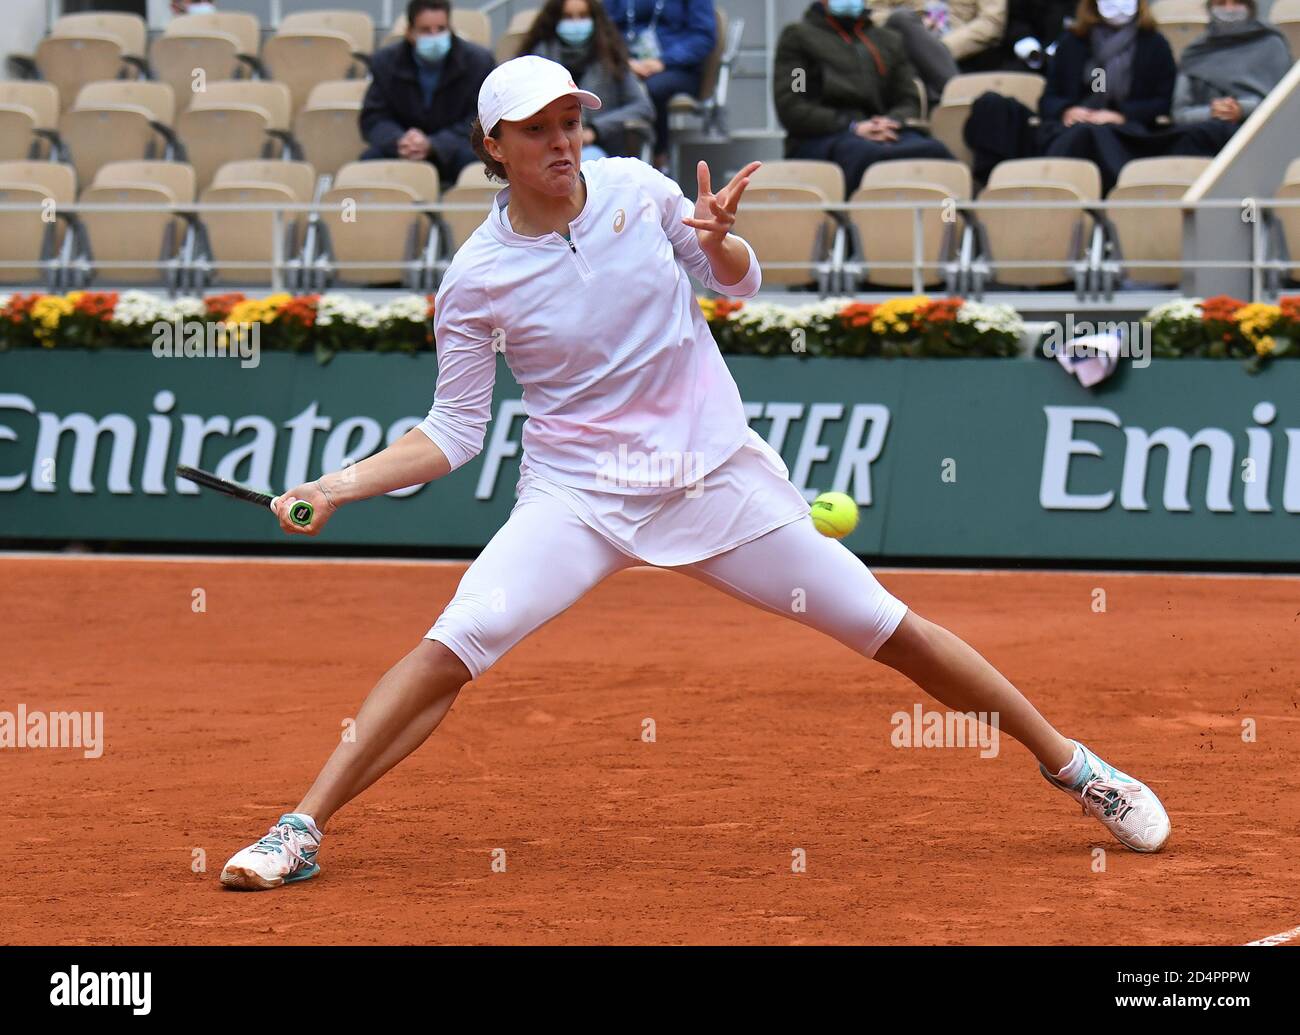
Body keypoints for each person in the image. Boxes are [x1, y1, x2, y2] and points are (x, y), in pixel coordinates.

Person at [218, 55, 1171, 892]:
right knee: (454, 643)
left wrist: (720, 241)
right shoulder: (475, 279)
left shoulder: (635, 186)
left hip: (713, 476)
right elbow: (455, 430)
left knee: (891, 630)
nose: (563, 143)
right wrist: (338, 485)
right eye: (537, 131)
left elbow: (735, 280)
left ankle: (1079, 767)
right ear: (492, 145)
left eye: (571, 122)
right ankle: (300, 825)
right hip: (578, 498)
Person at [776, 0, 952, 197]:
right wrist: (852, 126)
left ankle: (946, 224)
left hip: (886, 132)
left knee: (936, 152)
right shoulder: (798, 39)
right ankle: (858, 225)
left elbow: (908, 98)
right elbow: (793, 104)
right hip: (824, 135)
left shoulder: (887, 40)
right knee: (867, 156)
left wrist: (890, 121)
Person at [1035, 0, 1176, 192]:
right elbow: (1049, 98)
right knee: (1082, 134)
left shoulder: (1154, 43)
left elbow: (1162, 102)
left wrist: (1122, 116)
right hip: (1074, 128)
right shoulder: (1071, 41)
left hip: (1128, 132)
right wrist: (1067, 110)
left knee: (1094, 134)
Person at [360, 0, 495, 188]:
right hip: (402, 151)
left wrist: (434, 144)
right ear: (410, 32)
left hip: (455, 151)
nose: (434, 36)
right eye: (425, 30)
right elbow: (374, 118)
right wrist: (399, 140)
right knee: (367, 161)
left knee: (477, 165)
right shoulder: (385, 62)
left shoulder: (478, 62)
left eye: (440, 28)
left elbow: (480, 118)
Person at [519, 0, 656, 161]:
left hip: (601, 150)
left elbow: (642, 107)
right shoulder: (535, 60)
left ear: (594, 19)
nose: (576, 23)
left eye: (583, 16)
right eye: (567, 17)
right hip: (546, 148)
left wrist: (596, 130)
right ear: (555, 20)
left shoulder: (611, 56)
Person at [1164, 0, 1293, 157]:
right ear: (1211, 7)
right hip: (1204, 131)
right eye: (1222, 3)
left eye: (1237, 2)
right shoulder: (1195, 52)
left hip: (1259, 131)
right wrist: (1212, 111)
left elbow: (1284, 103)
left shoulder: (1272, 45)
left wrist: (1241, 108)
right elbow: (1180, 113)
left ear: (1250, 7)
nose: (1229, 9)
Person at [602, 0, 717, 170]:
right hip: (626, 64)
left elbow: (703, 37)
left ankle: (659, 157)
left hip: (677, 68)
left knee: (653, 89)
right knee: (599, 82)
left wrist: (663, 61)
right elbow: (604, 29)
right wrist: (624, 60)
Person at [870, 0, 1009, 103]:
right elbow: (873, 15)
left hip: (960, 47)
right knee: (900, 18)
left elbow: (992, 22)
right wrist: (916, 25)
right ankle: (958, 99)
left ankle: (951, 98)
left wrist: (939, 48)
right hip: (909, 41)